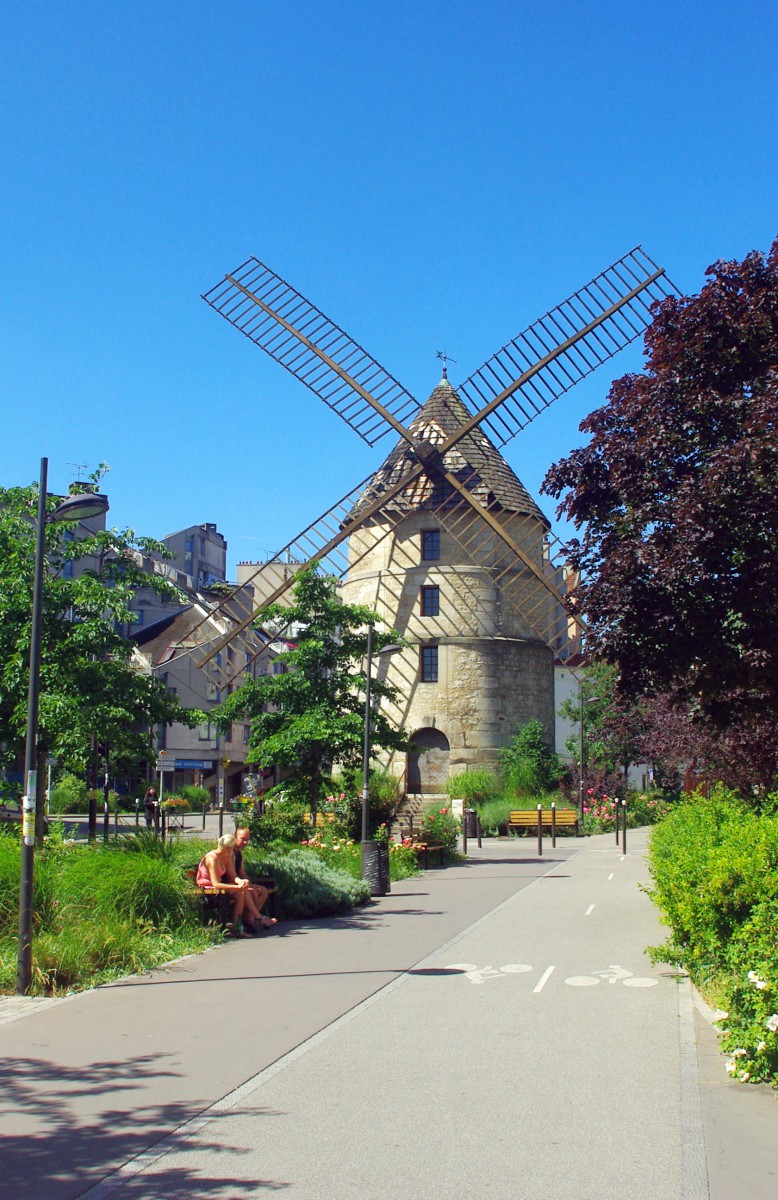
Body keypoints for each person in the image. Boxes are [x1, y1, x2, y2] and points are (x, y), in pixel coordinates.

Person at [195, 834, 253, 936]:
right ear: (229, 848)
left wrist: (241, 882)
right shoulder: (212, 859)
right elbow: (216, 884)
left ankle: (237, 928)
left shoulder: (227, 856)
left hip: (218, 886)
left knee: (242, 893)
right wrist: (236, 887)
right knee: (240, 891)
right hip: (208, 889)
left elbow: (233, 875)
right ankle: (248, 922)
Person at [233, 826, 277, 928]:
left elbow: (242, 872)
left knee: (262, 890)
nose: (245, 842)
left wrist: (250, 884)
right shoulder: (231, 852)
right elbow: (231, 875)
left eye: (247, 839)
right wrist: (247, 885)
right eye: (242, 839)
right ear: (235, 837)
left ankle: (250, 917)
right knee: (252, 892)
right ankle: (254, 919)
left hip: (240, 882)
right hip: (232, 883)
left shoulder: (239, 852)